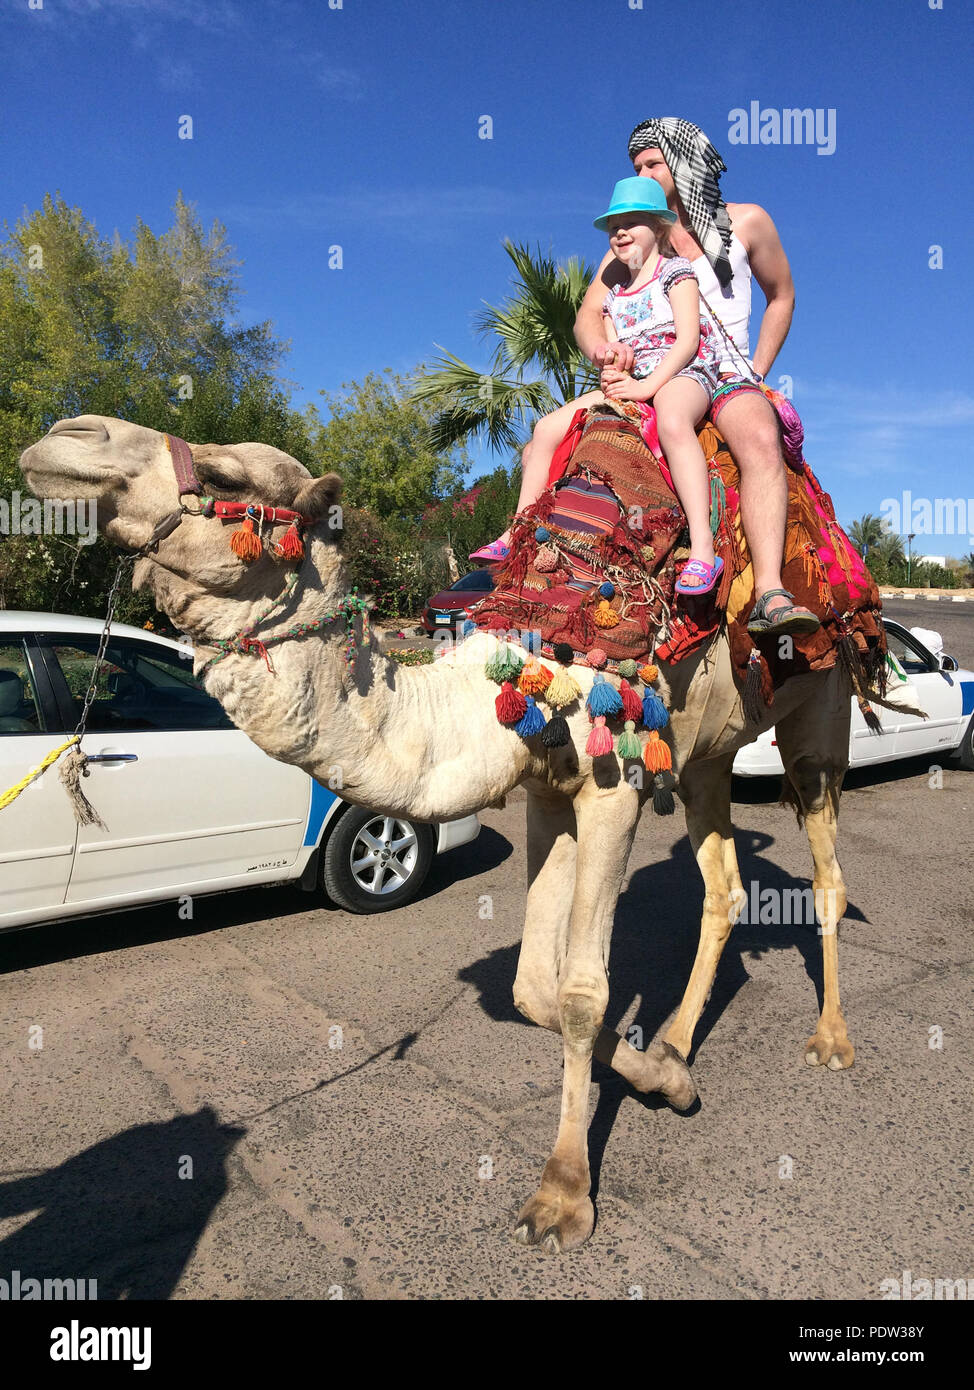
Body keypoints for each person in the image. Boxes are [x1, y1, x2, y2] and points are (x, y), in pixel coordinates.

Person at [474, 117, 820, 635]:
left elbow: (782, 294)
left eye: (654, 163)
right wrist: (604, 350)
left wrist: (759, 369)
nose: (646, 172)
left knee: (759, 438)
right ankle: (536, 565)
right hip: (640, 370)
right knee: (548, 438)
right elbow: (587, 316)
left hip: (718, 369)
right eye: (637, 167)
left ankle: (769, 588)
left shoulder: (746, 222)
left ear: (685, 161)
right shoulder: (629, 244)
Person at [470, 177, 726, 596]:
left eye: (633, 221)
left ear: (659, 228)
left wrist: (647, 389)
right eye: (614, 225)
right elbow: (614, 347)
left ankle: (701, 547)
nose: (621, 231)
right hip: (637, 379)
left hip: (683, 372)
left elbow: (689, 340)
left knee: (675, 422)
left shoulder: (676, 273)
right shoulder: (615, 294)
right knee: (546, 428)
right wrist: (614, 368)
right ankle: (515, 532)